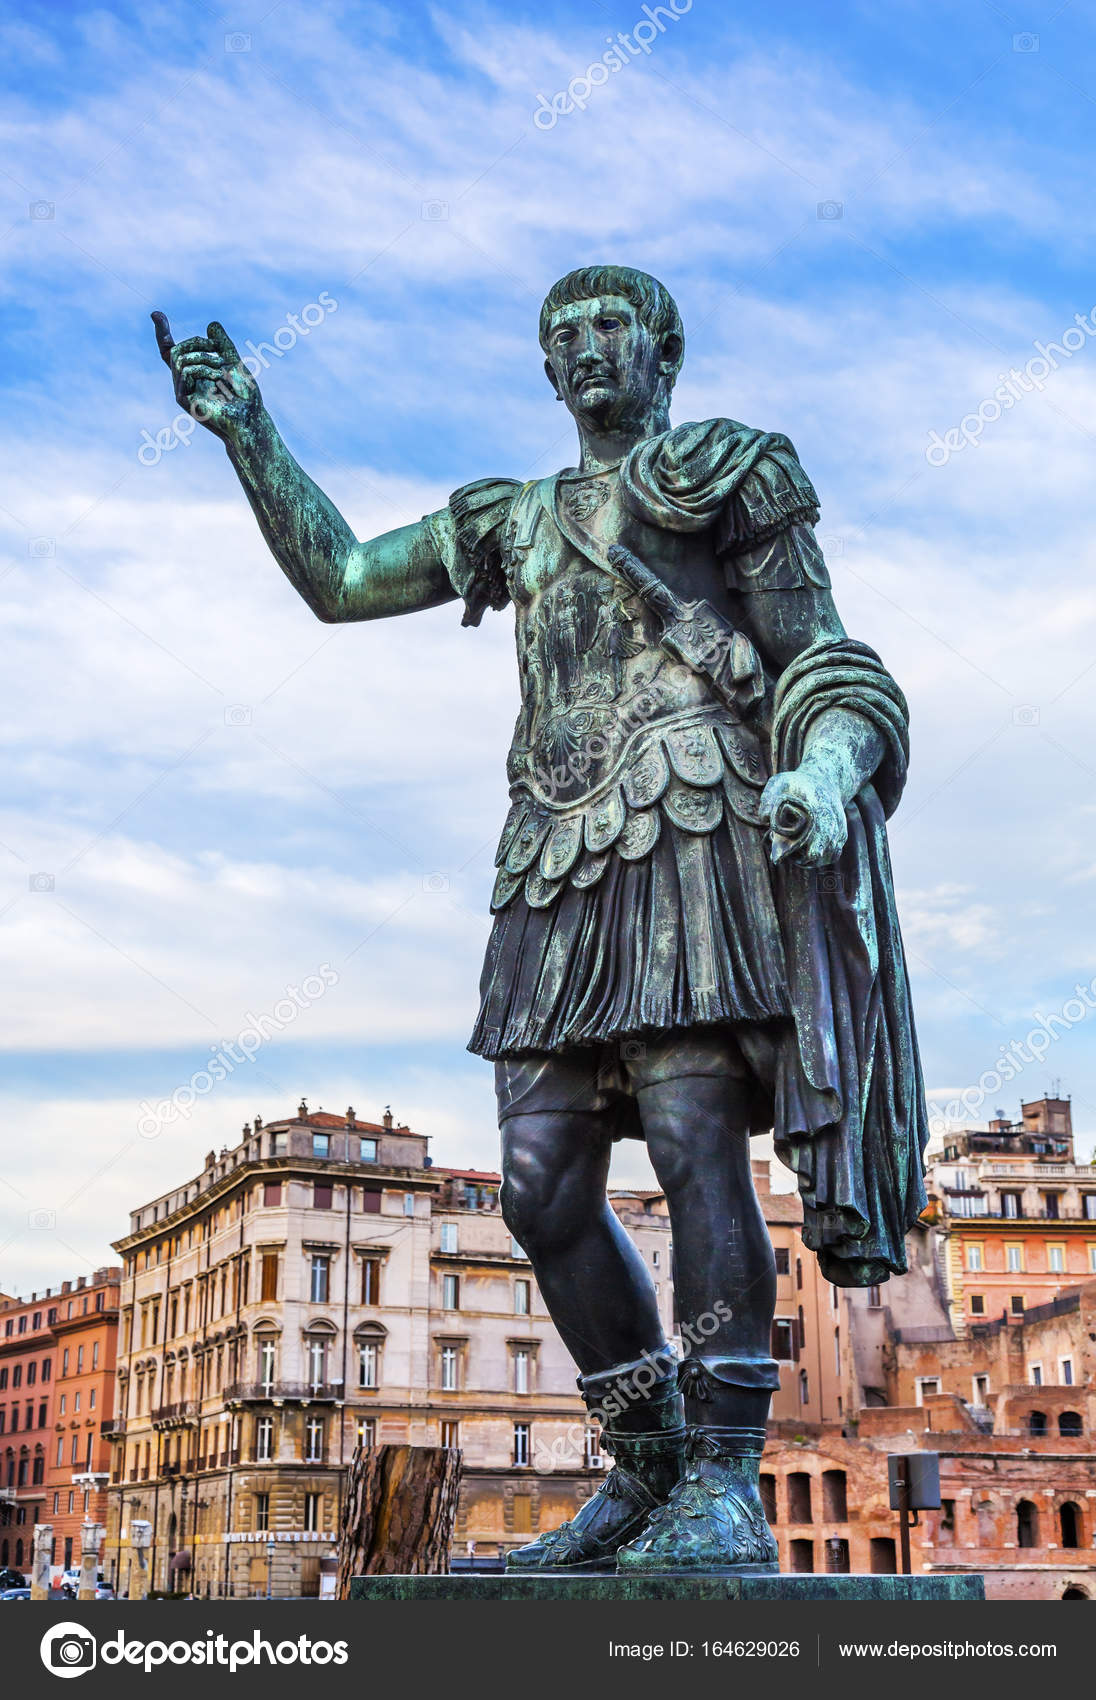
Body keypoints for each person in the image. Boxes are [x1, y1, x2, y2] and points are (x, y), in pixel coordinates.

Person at [152, 266, 927, 1572]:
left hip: (688, 818)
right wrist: (249, 433)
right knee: (536, 1183)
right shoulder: (514, 518)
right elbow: (344, 577)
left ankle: (724, 1480)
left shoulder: (732, 470)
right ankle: (647, 1463)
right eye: (560, 332)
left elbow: (825, 661)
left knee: (690, 1139)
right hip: (554, 855)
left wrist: (825, 771)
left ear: (665, 349)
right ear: (547, 368)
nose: (584, 346)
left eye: (609, 323)